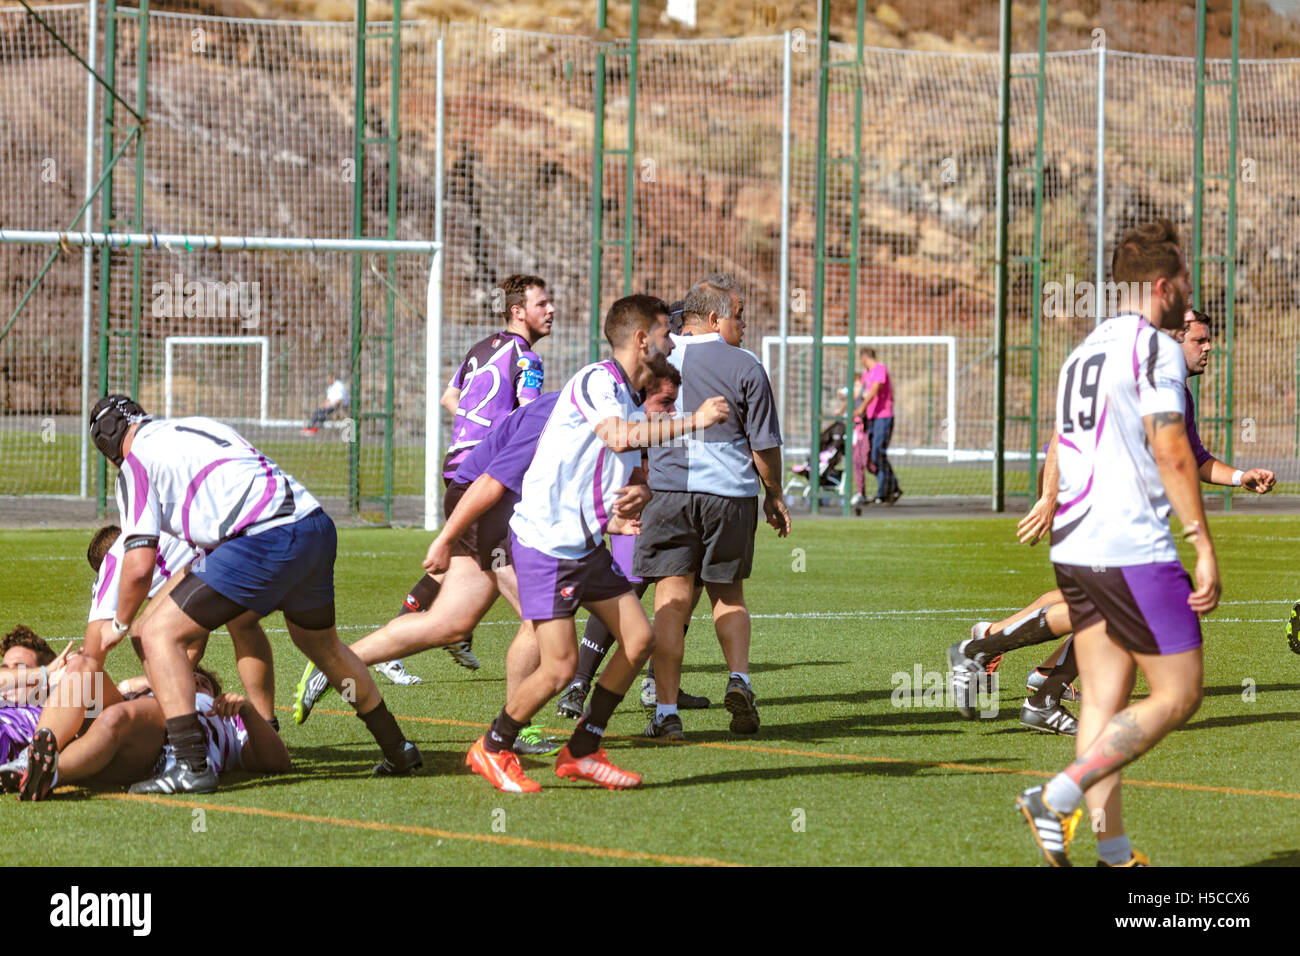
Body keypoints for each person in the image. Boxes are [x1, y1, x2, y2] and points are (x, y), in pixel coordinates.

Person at [950, 308, 1276, 738]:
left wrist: (1239, 477)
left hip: (1120, 515)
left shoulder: (1175, 392)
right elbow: (1062, 435)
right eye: (1199, 339)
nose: (1208, 347)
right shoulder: (1136, 379)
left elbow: (1191, 457)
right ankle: (992, 654)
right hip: (1096, 510)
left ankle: (1030, 683)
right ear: (1173, 340)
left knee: (1112, 610)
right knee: (1118, 608)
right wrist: (1049, 497)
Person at [1014, 219, 1219, 867]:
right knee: (1180, 693)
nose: (1186, 295)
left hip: (1076, 546)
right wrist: (1201, 542)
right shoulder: (1153, 348)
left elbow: (1065, 447)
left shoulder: (1084, 351)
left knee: (1101, 707)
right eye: (1182, 282)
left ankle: (1114, 854)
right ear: (1161, 285)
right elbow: (1170, 447)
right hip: (1130, 544)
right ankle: (1059, 793)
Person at [88, 394, 420, 795]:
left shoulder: (136, 463)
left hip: (262, 538)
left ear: (107, 445)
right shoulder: (198, 425)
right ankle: (397, 746)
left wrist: (121, 624)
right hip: (312, 526)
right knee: (320, 644)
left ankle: (191, 764)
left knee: (154, 633)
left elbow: (139, 567)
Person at [466, 294, 730, 793]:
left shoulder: (632, 397)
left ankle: (583, 749)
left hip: (583, 545)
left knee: (638, 640)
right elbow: (617, 437)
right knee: (561, 666)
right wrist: (695, 420)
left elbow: (626, 466)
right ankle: (494, 746)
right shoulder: (596, 380)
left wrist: (637, 496)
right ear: (640, 339)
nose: (670, 341)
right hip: (547, 543)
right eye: (664, 333)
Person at [634, 274, 790, 740]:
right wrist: (775, 493)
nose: (744, 326)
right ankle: (739, 679)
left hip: (669, 493)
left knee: (671, 598)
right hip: (730, 494)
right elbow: (764, 446)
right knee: (729, 594)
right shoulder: (747, 365)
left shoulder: (659, 358)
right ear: (716, 318)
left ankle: (665, 712)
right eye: (739, 316)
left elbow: (632, 421)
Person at [390, 273, 556, 675]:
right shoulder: (526, 358)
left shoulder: (480, 348)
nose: (551, 310)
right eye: (541, 304)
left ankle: (442, 635)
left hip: (457, 465)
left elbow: (451, 397)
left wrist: (476, 433)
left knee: (466, 562)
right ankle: (555, 651)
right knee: (504, 561)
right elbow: (524, 418)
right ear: (518, 312)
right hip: (485, 472)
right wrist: (493, 443)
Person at [555, 366, 711, 721]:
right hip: (637, 510)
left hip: (683, 502)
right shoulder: (625, 408)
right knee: (628, 585)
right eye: (666, 402)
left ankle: (657, 683)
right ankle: (579, 683)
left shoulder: (679, 402)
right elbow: (625, 451)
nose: (673, 409)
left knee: (686, 589)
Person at [852, 347, 900, 505]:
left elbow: (874, 391)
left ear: (864, 358)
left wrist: (861, 408)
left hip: (883, 417)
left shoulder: (880, 369)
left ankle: (886, 490)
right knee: (871, 456)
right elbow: (861, 392)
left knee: (877, 452)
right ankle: (891, 488)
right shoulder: (866, 374)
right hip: (871, 418)